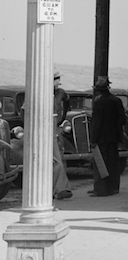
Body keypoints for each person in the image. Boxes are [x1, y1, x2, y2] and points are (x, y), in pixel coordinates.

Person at [90, 76, 127, 196]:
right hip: (114, 137)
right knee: (113, 163)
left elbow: (97, 123)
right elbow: (122, 119)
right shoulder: (116, 101)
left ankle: (101, 189)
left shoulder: (99, 103)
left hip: (101, 138)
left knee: (100, 164)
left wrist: (93, 139)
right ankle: (113, 188)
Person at [52, 70, 73, 200]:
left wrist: (63, 117)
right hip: (45, 128)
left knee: (59, 159)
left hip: (56, 128)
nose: (59, 82)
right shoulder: (41, 92)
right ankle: (57, 189)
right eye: (56, 79)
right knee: (55, 161)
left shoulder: (61, 93)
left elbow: (67, 100)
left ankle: (61, 189)